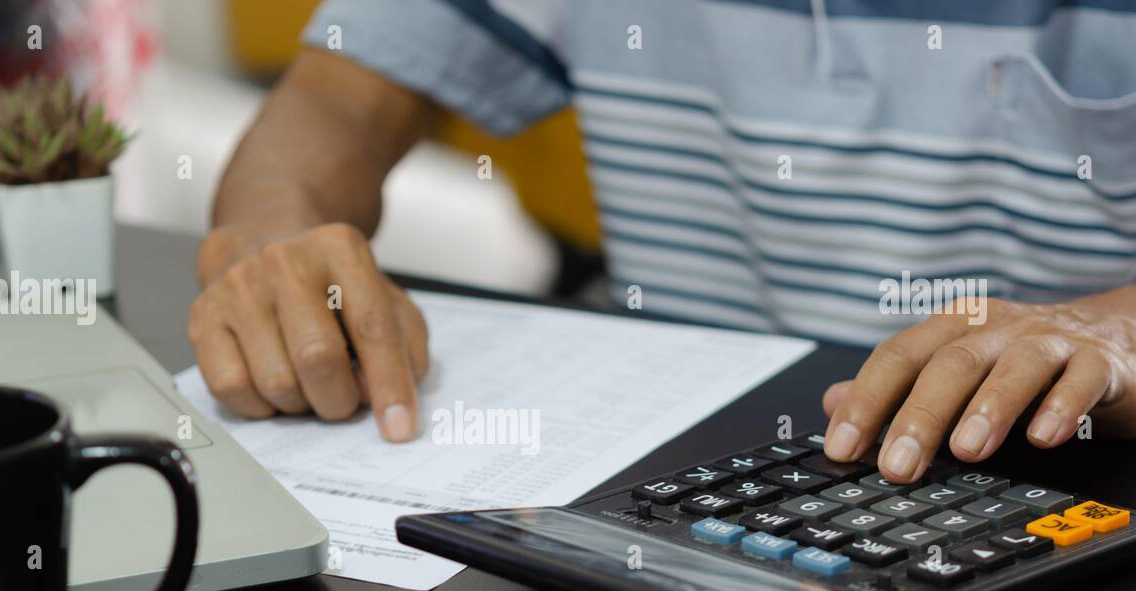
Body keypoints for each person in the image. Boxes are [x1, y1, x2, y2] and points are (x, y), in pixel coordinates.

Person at [190, 0, 1136, 485]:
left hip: (1066, 499)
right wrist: (271, 238)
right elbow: (331, 101)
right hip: (671, 501)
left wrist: (1111, 335)